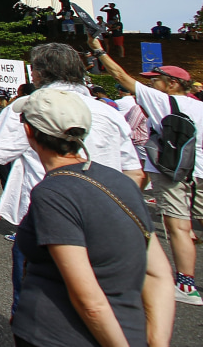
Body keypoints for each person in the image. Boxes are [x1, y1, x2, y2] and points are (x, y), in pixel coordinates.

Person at [0, 42, 143, 314]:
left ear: (38, 74)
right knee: (105, 300)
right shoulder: (110, 112)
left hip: (45, 218)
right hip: (107, 220)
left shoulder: (32, 107)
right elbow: (134, 172)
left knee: (38, 304)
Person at [10, 88, 175, 346]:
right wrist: (158, 341)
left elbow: (90, 301)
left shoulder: (52, 193)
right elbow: (158, 273)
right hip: (130, 328)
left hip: (60, 333)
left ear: (29, 131)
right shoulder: (121, 181)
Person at [88, 39, 203, 306]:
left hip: (173, 170)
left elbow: (120, 76)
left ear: (172, 83)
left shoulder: (163, 101)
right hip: (200, 169)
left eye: (155, 80)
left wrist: (99, 50)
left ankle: (186, 285)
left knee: (179, 227)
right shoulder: (199, 105)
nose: (151, 84)